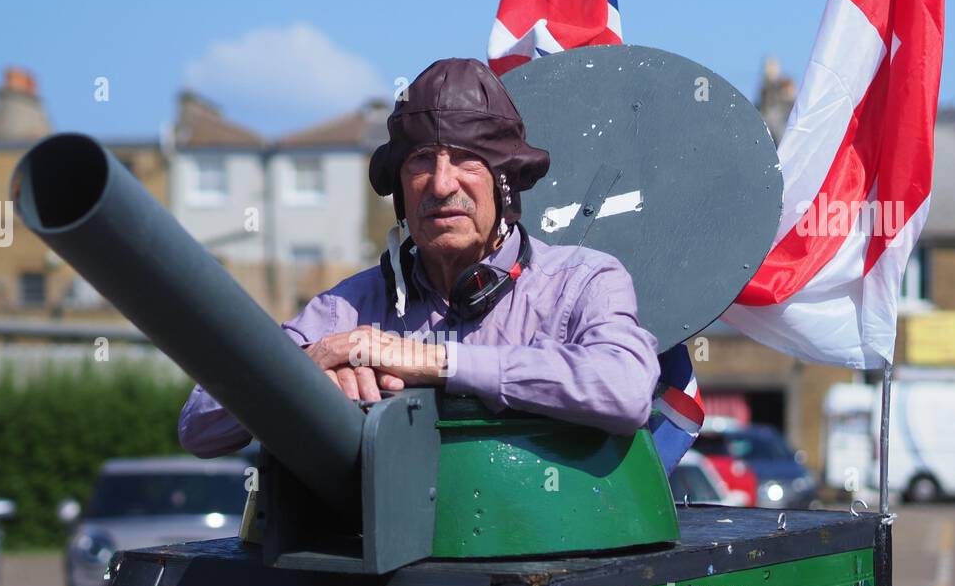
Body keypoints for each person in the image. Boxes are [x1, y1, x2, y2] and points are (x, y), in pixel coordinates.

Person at [179, 57, 659, 458]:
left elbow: (625, 390)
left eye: (467, 159)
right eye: (421, 161)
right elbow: (199, 426)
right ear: (401, 190)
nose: (442, 183)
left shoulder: (584, 281)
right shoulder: (349, 310)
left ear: (504, 183)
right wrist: (314, 362)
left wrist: (435, 362)